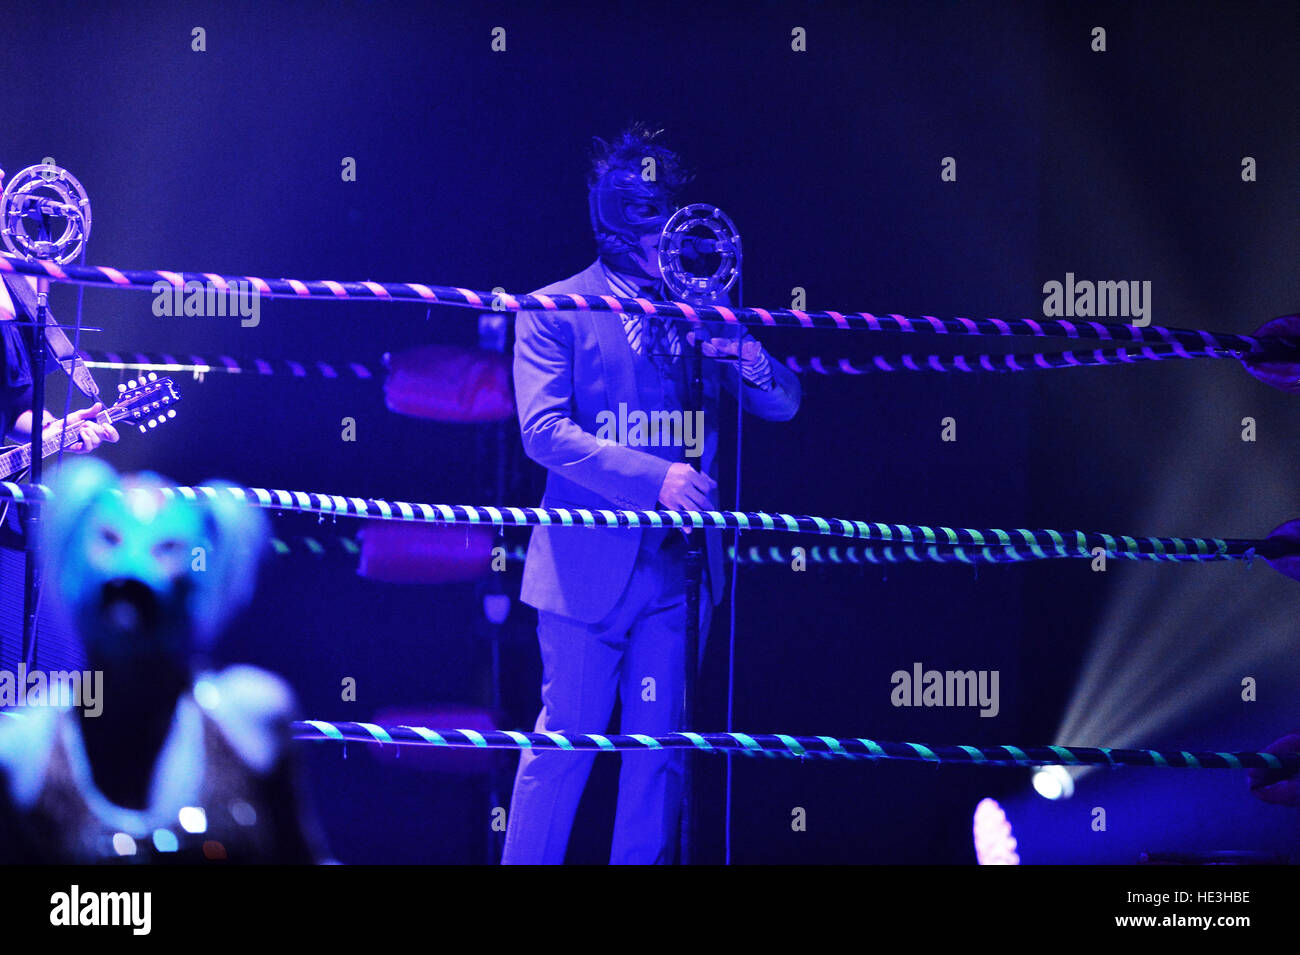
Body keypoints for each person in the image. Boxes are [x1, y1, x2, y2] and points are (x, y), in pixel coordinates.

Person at [505, 124, 801, 864]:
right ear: (609, 218)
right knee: (564, 745)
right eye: (643, 212)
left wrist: (743, 346)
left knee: (658, 756)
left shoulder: (697, 304)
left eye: (668, 208)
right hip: (584, 572)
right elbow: (543, 432)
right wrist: (656, 477)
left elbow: (787, 403)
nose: (662, 229)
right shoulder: (552, 307)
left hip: (680, 577)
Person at [0, 459, 327, 863]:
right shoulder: (23, 751)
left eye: (166, 548)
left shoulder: (250, 717)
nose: (132, 575)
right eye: (109, 539)